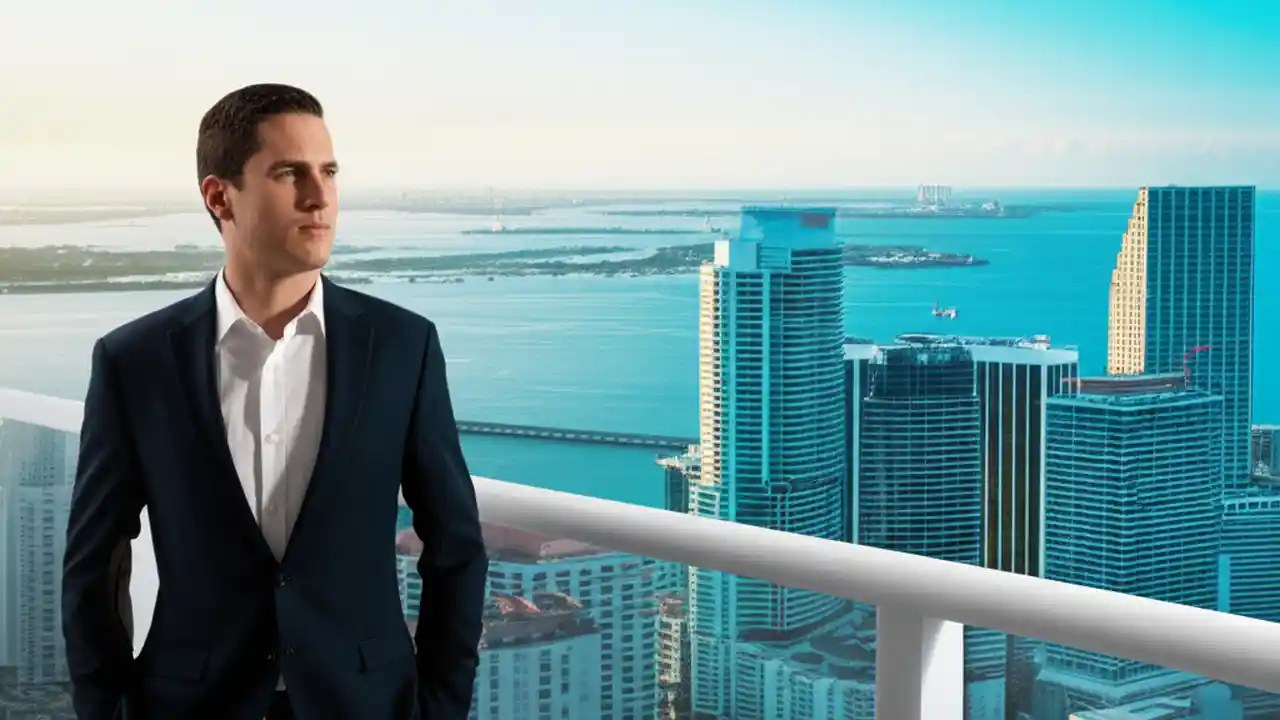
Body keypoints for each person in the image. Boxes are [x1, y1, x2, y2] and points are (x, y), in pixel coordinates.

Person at [61, 83, 488, 720]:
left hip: (369, 704)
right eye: (290, 173)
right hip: (189, 705)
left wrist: (440, 707)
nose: (320, 198)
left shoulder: (402, 347)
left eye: (329, 172)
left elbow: (455, 547)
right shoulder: (135, 362)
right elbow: (94, 566)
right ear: (218, 196)